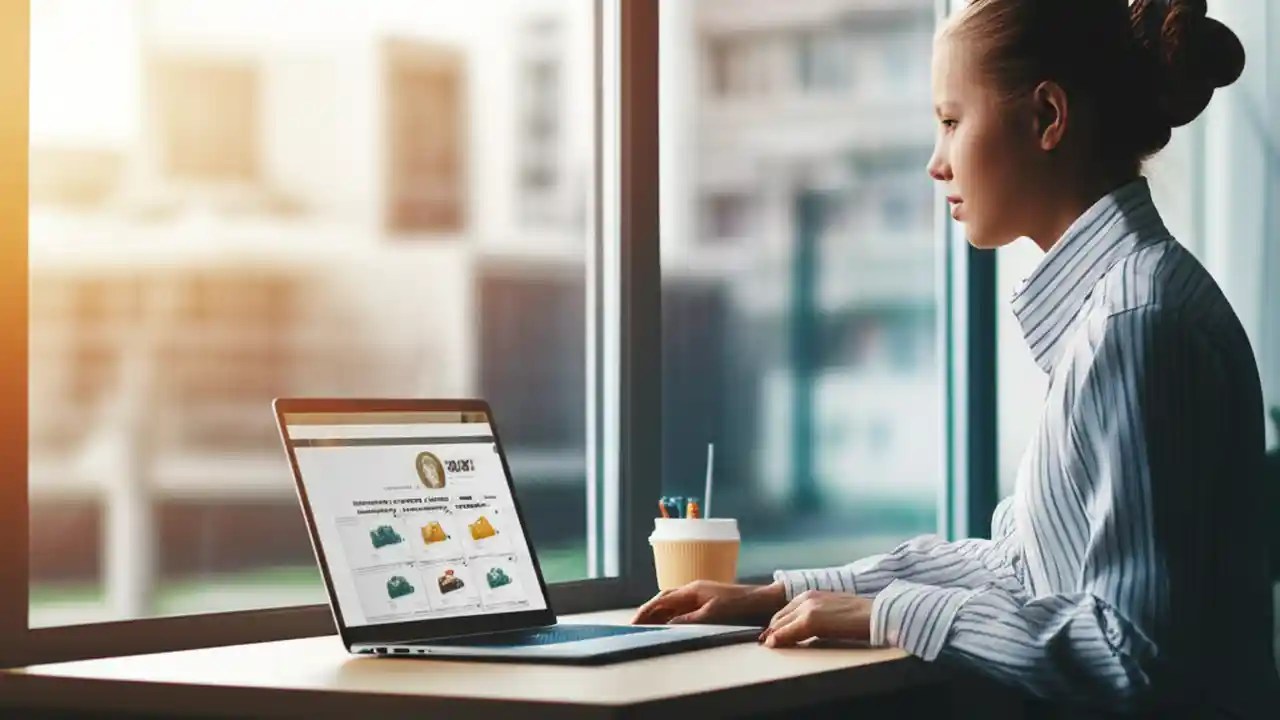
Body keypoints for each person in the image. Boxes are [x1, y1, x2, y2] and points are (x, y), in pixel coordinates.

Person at [632, 0, 1279, 716]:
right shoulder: (1120, 306)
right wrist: (781, 593)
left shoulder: (1134, 324)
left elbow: (1132, 655)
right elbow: (1019, 565)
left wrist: (890, 613)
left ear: (1046, 118)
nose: (935, 163)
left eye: (949, 121)